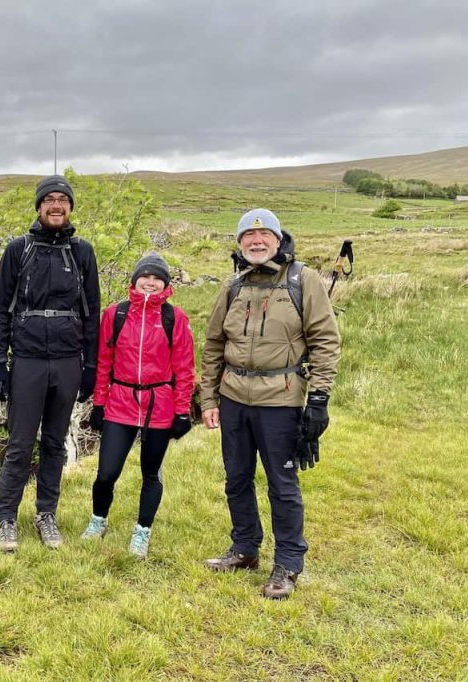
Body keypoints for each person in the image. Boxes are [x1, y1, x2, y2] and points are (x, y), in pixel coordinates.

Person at [200, 208, 340, 599]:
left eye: (264, 236)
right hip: (232, 400)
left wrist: (319, 399)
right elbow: (213, 345)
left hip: (281, 401)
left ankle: (289, 563)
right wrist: (208, 397)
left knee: (282, 484)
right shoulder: (232, 286)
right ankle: (245, 549)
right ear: (240, 243)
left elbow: (325, 341)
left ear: (278, 240)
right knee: (237, 478)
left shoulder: (303, 280)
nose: (256, 242)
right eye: (248, 236)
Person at [0, 174, 100, 552]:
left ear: (70, 207)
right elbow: (0, 309)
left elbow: (92, 312)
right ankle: (5, 518)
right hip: (28, 360)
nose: (56, 205)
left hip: (68, 361)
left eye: (63, 200)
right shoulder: (18, 250)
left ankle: (46, 514)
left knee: (54, 442)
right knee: (20, 443)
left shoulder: (82, 252)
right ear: (39, 207)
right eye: (49, 199)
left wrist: (90, 368)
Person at [80, 253, 195, 558]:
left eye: (158, 278)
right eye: (146, 276)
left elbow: (184, 368)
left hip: (160, 405)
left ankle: (142, 531)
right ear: (134, 280)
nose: (151, 282)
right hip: (121, 402)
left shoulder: (175, 318)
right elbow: (104, 361)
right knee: (106, 472)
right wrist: (99, 404)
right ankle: (98, 521)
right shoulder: (115, 314)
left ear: (166, 285)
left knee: (151, 473)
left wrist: (182, 411)